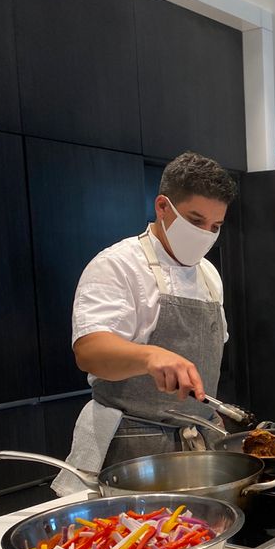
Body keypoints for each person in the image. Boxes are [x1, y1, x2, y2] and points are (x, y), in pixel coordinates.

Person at [52, 151, 238, 496]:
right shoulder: (117, 265)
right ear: (163, 207)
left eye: (215, 227)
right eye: (195, 221)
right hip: (132, 448)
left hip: (198, 443)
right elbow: (90, 351)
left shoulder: (209, 275)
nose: (205, 235)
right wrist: (149, 356)